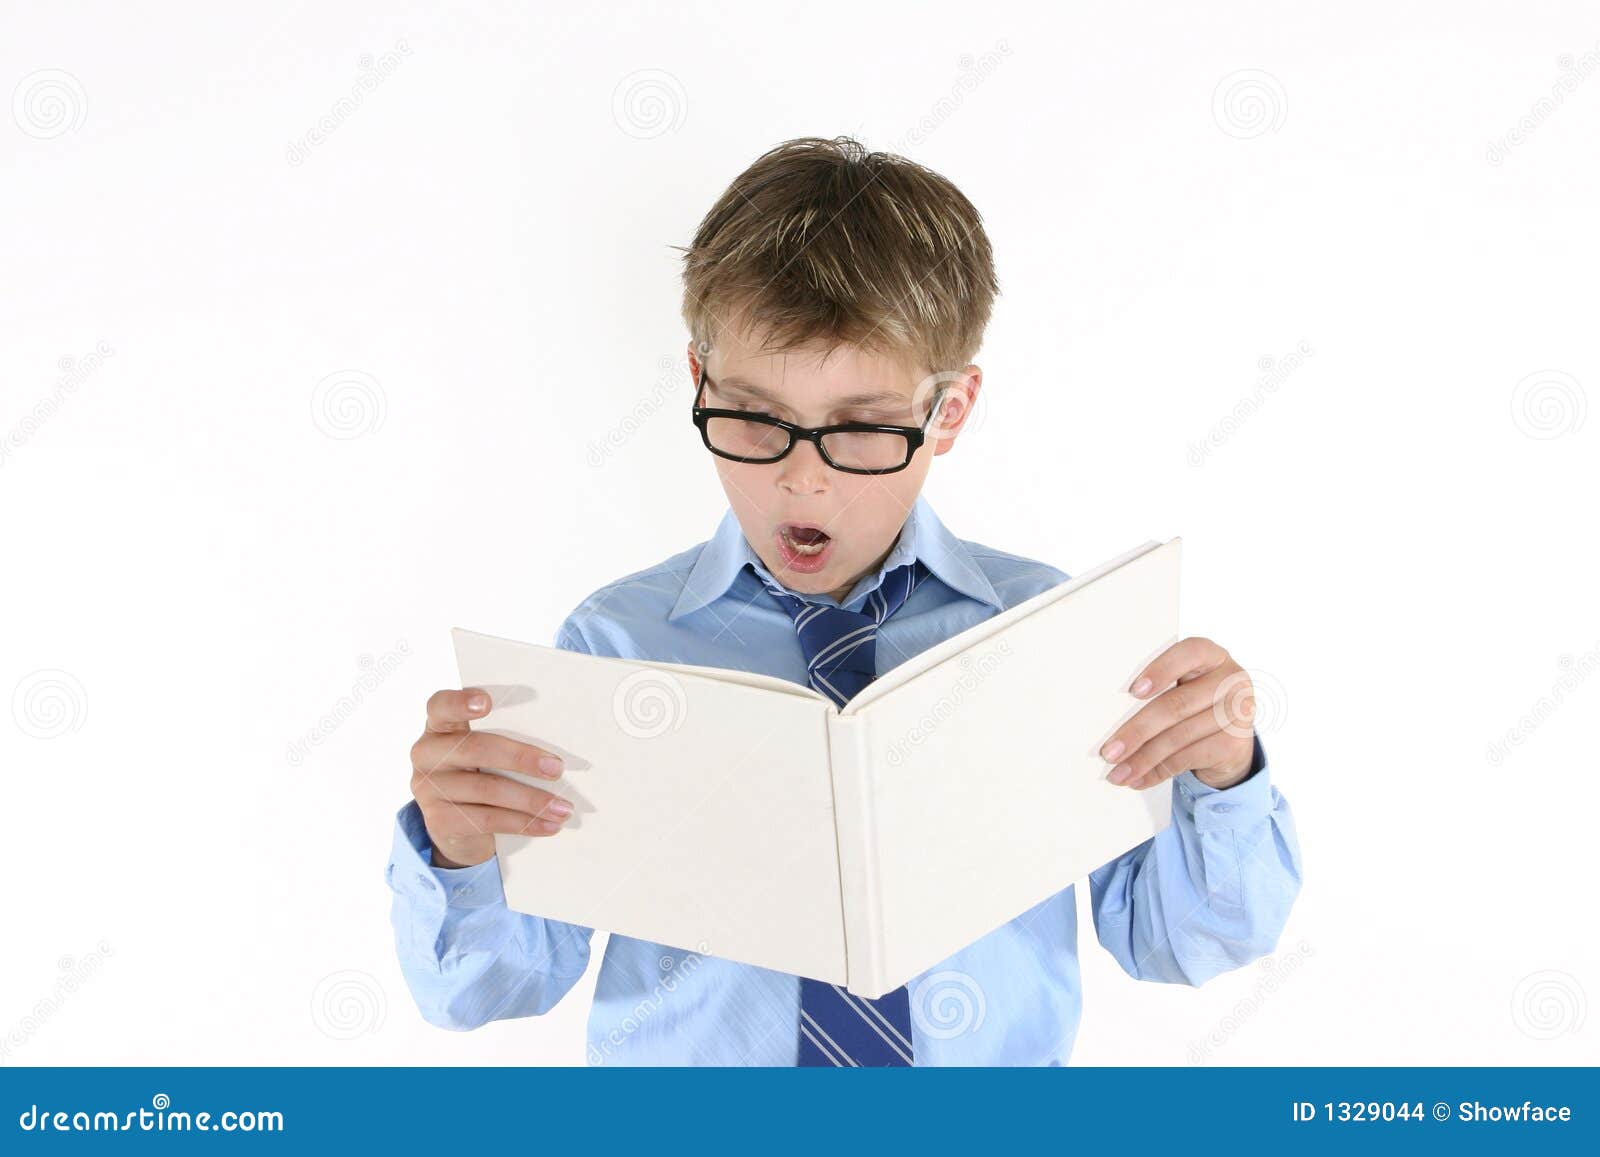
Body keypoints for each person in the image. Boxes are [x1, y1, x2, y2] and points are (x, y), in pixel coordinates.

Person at [385, 136, 1303, 1066]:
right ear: (698, 381)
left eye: (861, 428)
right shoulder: (615, 641)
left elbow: (1181, 941)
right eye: (753, 416)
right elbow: (494, 987)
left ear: (947, 411)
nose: (802, 481)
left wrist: (1222, 777)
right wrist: (458, 850)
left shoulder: (1048, 632)